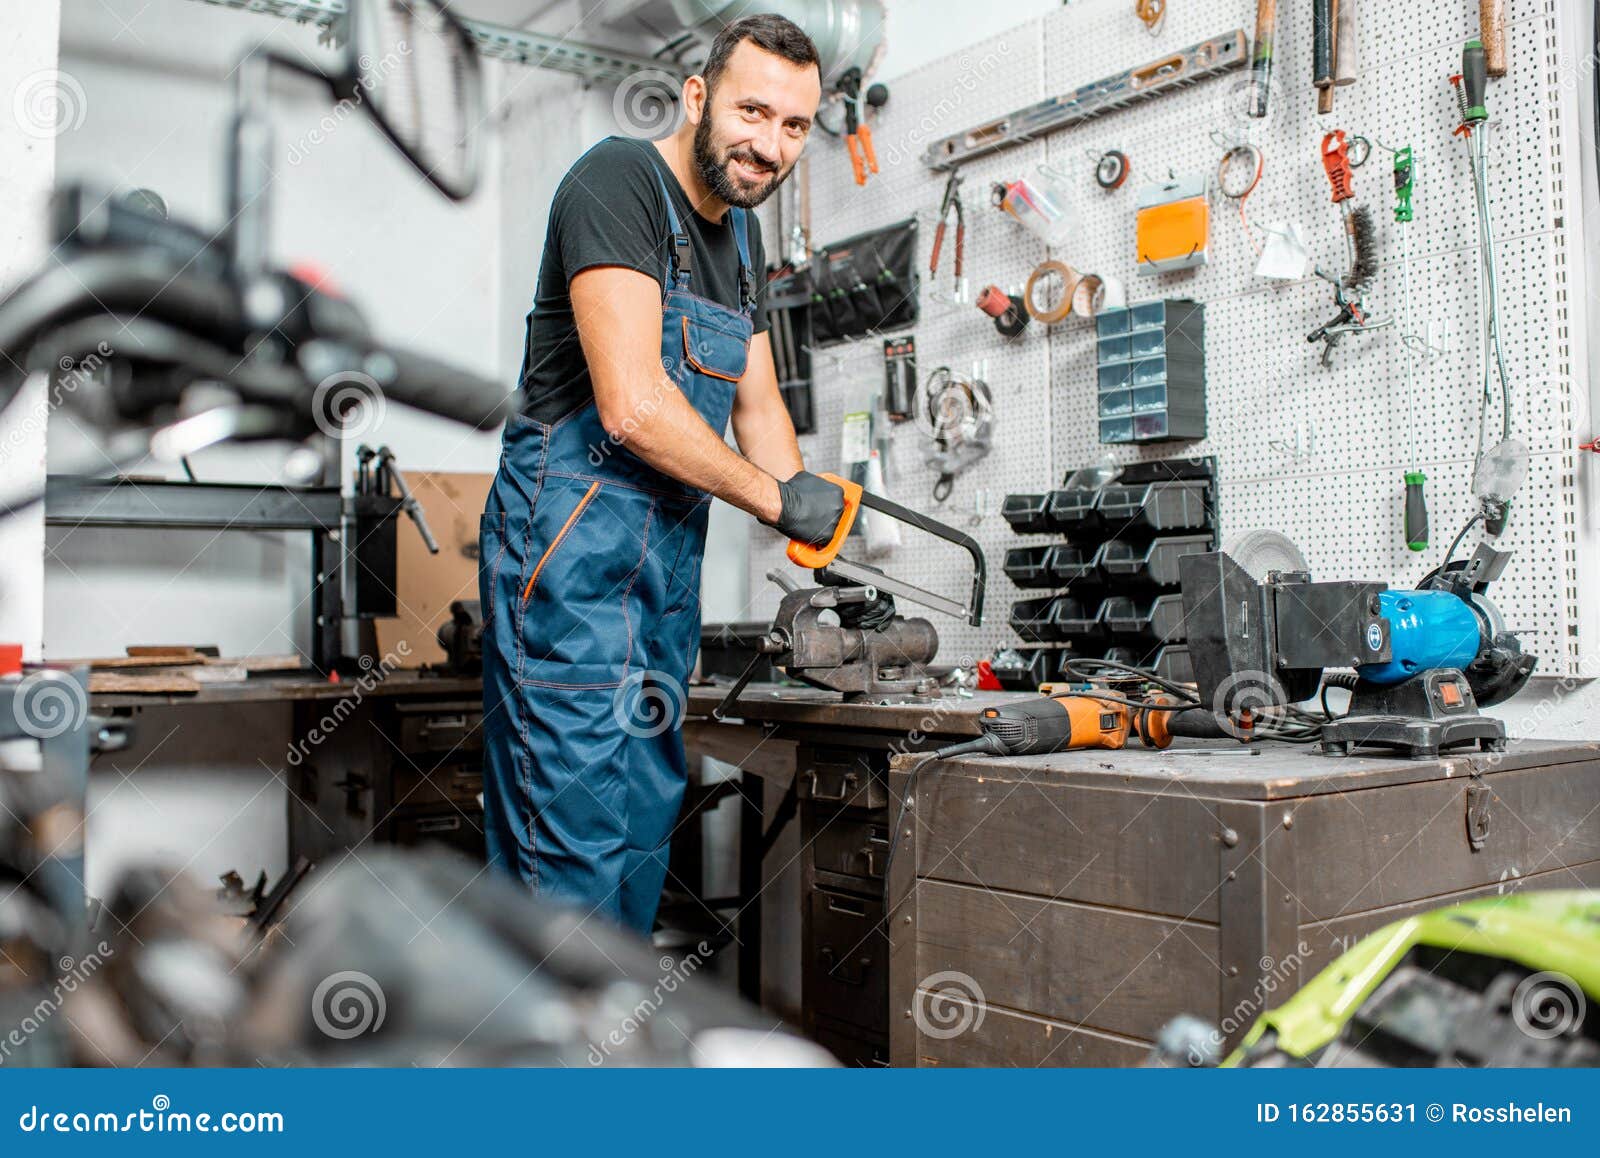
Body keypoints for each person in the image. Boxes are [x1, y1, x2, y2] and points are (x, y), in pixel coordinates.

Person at [479, 14, 851, 936]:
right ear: (698, 97)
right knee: (567, 855)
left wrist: (821, 540)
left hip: (657, 590)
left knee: (642, 835)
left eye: (794, 126)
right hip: (566, 571)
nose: (769, 145)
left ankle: (610, 1061)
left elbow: (759, 408)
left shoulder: (740, 240)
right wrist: (774, 500)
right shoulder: (617, 181)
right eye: (752, 111)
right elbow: (634, 405)